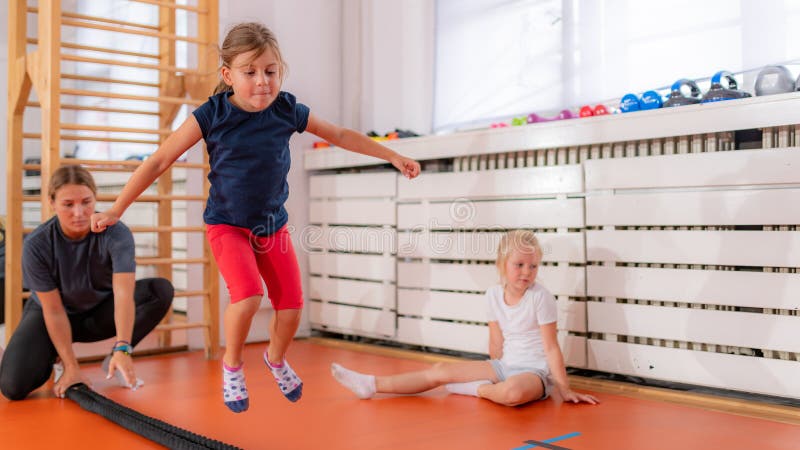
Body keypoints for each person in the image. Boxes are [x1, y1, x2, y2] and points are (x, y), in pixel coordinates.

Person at [90, 22, 421, 413]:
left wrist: (393, 156)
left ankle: (276, 360)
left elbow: (340, 134)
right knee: (247, 297)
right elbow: (160, 159)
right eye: (250, 73)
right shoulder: (212, 114)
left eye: (270, 71)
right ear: (228, 75)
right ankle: (232, 366)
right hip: (227, 225)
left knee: (292, 306)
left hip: (271, 225)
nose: (262, 81)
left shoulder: (286, 109)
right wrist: (117, 208)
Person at [331, 230, 599, 407]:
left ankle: (474, 390)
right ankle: (371, 384)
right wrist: (490, 370)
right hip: (504, 366)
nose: (526, 272)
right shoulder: (493, 295)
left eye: (533, 266)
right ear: (502, 264)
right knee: (440, 371)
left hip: (534, 373)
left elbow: (551, 347)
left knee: (512, 393)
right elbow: (496, 344)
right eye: (519, 265)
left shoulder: (541, 297)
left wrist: (564, 388)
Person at [0, 165, 173, 401]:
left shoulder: (116, 233)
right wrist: (72, 367)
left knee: (159, 290)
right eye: (68, 204)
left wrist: (123, 347)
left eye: (86, 201)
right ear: (52, 202)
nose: (79, 212)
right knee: (13, 386)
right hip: (50, 315)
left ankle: (114, 359)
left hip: (97, 313)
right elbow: (53, 310)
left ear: (95, 197)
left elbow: (124, 293)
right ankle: (56, 356)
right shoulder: (37, 245)